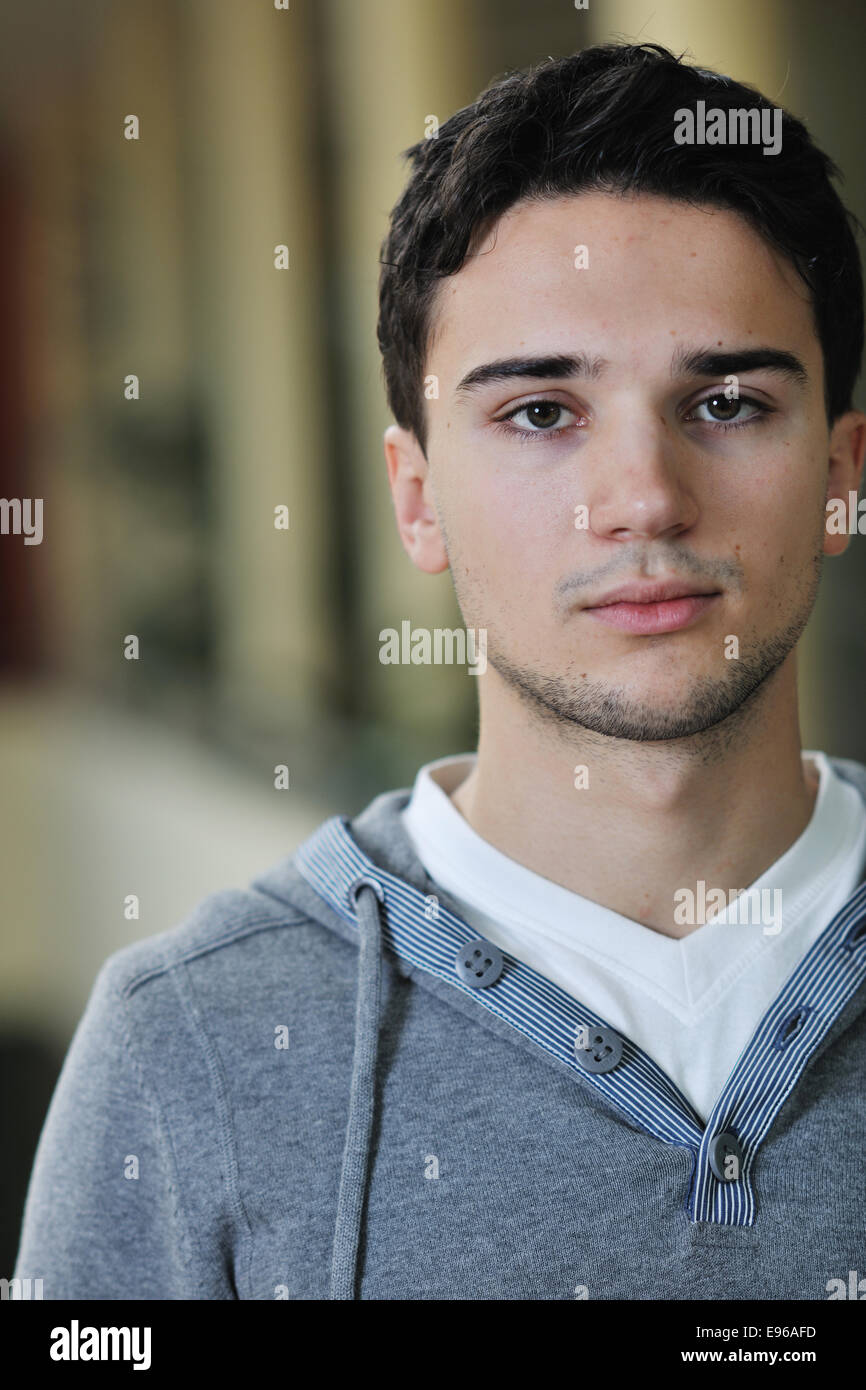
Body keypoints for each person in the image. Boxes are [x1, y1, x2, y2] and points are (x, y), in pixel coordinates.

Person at [14, 41, 866, 1301]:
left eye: (727, 402)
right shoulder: (187, 1043)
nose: (640, 498)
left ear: (842, 477)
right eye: (538, 413)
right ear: (416, 500)